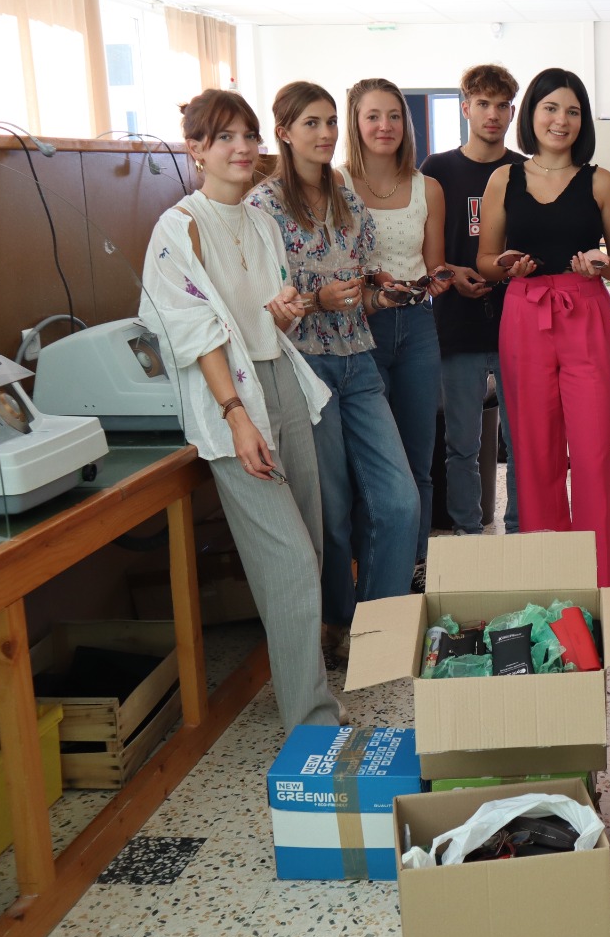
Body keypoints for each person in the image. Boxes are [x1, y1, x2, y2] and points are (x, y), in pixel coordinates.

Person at [138, 89, 341, 731]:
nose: (240, 149)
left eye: (248, 136)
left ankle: (310, 697)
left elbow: (263, 308)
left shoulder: (259, 218)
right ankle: (311, 725)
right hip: (232, 402)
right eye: (223, 138)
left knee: (309, 546)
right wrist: (234, 414)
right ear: (195, 148)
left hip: (281, 380)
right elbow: (192, 331)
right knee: (290, 566)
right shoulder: (179, 227)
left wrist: (285, 309)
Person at [248, 80, 418, 665]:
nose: (323, 134)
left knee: (400, 502)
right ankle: (341, 629)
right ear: (285, 133)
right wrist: (317, 301)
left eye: (328, 123)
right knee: (333, 512)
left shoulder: (346, 198)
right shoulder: (263, 207)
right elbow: (260, 310)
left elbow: (362, 287)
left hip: (359, 361)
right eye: (310, 124)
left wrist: (383, 295)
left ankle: (381, 631)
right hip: (304, 369)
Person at [475, 67, 610, 587]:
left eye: (572, 110)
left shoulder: (600, 181)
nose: (560, 120)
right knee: (534, 453)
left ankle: (597, 582)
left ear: (582, 120)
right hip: (523, 313)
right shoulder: (504, 179)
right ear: (532, 115)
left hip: (584, 311)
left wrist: (600, 264)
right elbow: (483, 259)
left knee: (591, 455)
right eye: (550, 108)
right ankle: (548, 582)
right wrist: (505, 266)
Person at [340, 77, 444, 591]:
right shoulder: (334, 185)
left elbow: (435, 264)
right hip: (359, 331)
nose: (384, 126)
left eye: (394, 116)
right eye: (372, 116)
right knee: (375, 468)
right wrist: (372, 283)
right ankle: (373, 568)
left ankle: (415, 566)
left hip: (419, 327)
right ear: (355, 124)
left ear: (407, 124)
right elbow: (330, 266)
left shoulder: (429, 188)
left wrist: (447, 280)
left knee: (419, 461)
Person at [420, 64, 524, 538]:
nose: (493, 114)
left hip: (513, 324)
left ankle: (520, 529)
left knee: (521, 443)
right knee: (461, 444)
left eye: (502, 105)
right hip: (456, 325)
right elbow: (426, 246)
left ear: (512, 112)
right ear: (465, 108)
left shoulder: (524, 169)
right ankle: (468, 534)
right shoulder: (437, 169)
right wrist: (450, 274)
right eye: (483, 104)